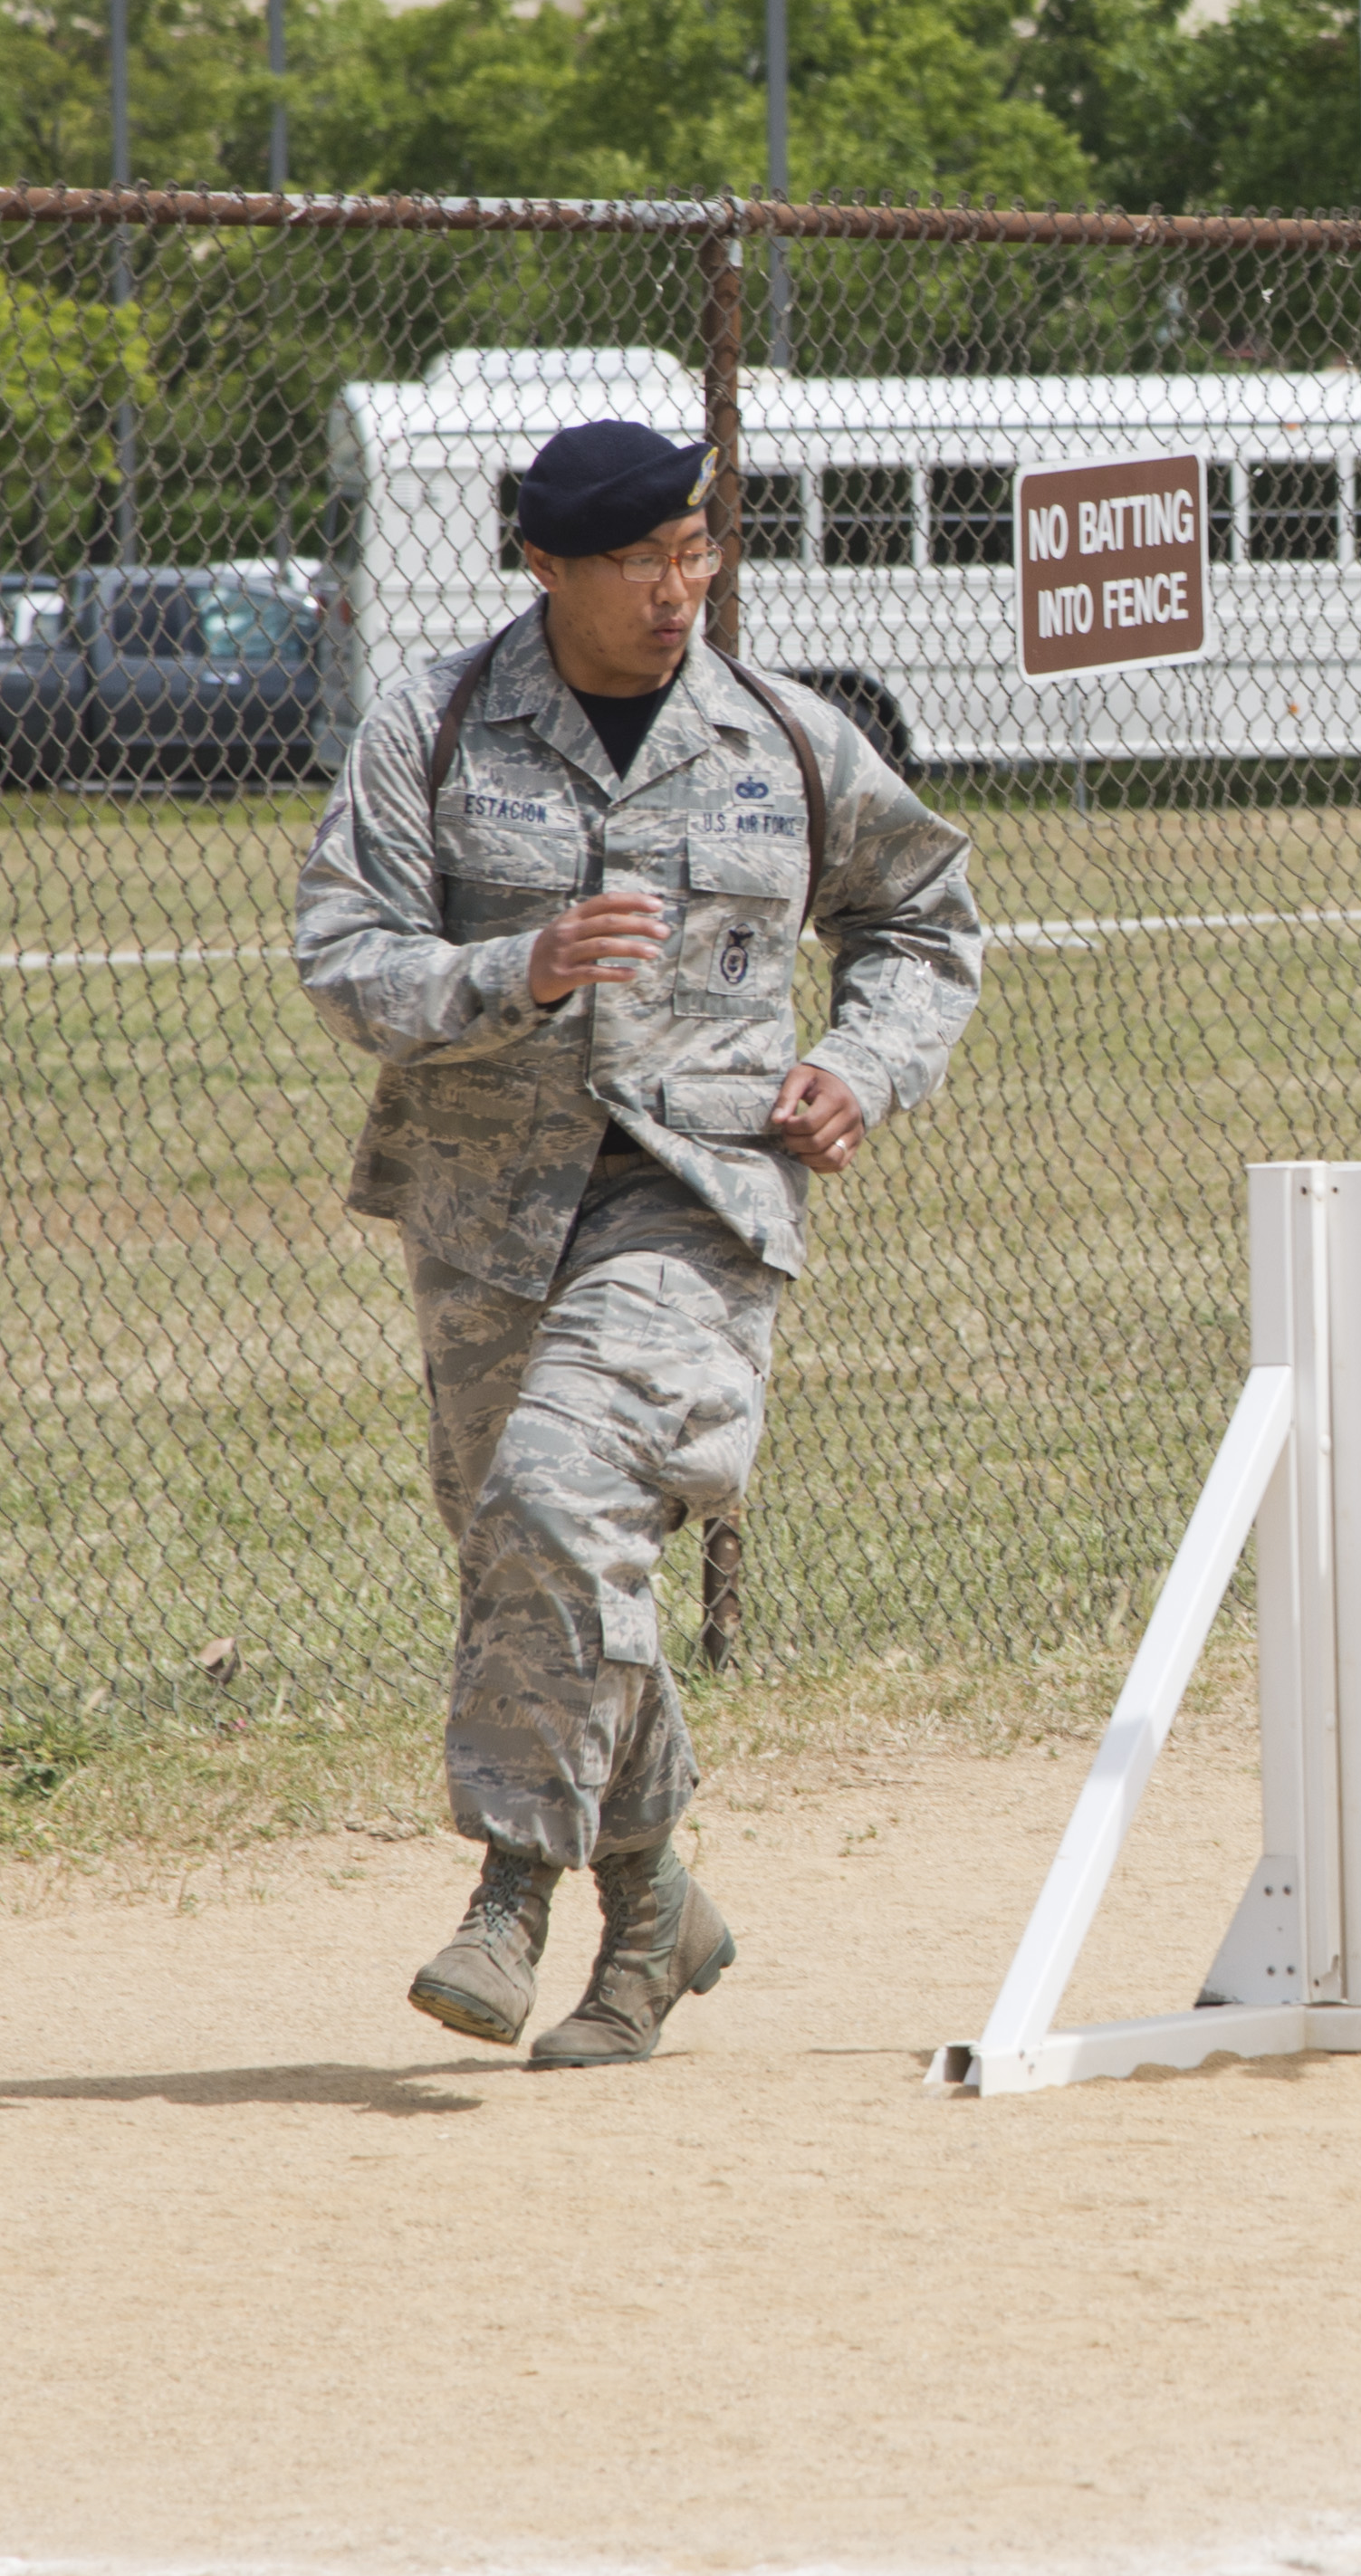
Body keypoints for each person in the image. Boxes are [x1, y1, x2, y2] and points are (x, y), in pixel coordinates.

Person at [296, 419, 985, 2069]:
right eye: (643, 561)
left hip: (700, 1196)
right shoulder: (440, 727)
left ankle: (511, 1893)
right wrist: (509, 968)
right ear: (546, 568)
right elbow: (342, 954)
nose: (684, 588)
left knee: (553, 1496)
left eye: (700, 551)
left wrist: (863, 1067)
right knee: (539, 1550)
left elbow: (924, 919)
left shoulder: (784, 738)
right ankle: (661, 1897)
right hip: (487, 1210)